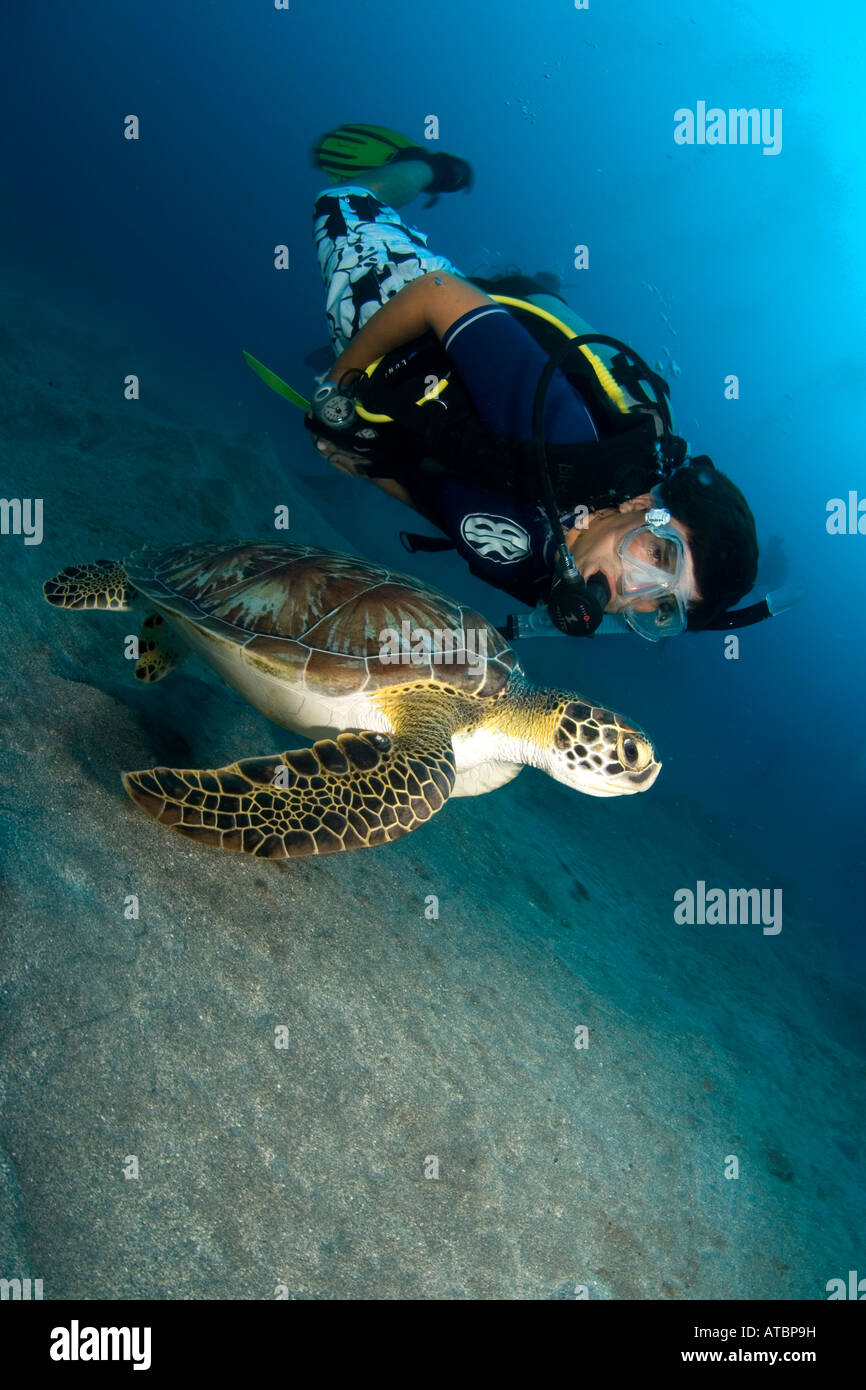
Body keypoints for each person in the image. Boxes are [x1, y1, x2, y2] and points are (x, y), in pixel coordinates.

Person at [296, 124, 768, 640]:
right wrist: (338, 384)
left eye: (661, 605)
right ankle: (431, 168)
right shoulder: (562, 433)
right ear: (643, 505)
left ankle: (533, 290)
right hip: (402, 315)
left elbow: (449, 508)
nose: (635, 590)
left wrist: (365, 467)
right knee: (341, 199)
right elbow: (436, 293)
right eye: (659, 554)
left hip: (403, 404)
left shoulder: (551, 581)